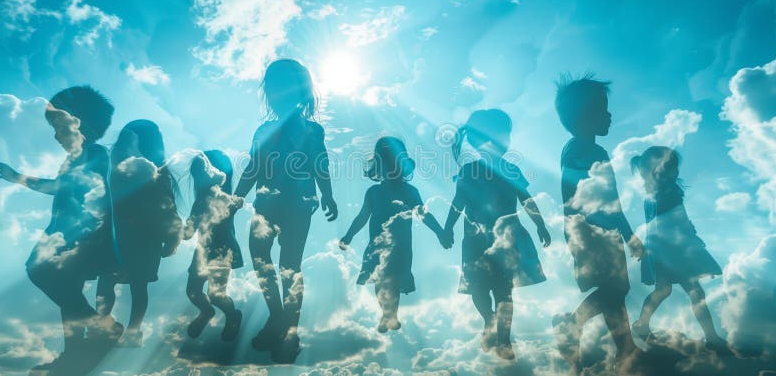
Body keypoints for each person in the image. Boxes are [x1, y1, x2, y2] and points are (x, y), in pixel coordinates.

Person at [0, 86, 121, 371]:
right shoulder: (78, 157)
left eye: (59, 126)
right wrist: (19, 178)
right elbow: (59, 187)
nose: (55, 134)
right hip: (67, 231)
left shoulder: (95, 153)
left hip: (79, 233)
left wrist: (19, 177)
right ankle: (75, 350)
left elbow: (68, 187)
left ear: (80, 124)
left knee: (39, 269)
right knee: (68, 287)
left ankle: (102, 327)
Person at [235, 59, 338, 363]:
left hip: (288, 202)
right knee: (277, 263)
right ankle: (282, 324)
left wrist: (329, 194)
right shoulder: (278, 129)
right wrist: (237, 197)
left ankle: (284, 327)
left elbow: (320, 163)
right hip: (280, 202)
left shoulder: (305, 129)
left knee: (280, 263)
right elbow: (254, 166)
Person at [552, 74, 644, 374]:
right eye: (602, 110)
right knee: (614, 290)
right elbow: (599, 197)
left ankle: (625, 347)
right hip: (595, 231)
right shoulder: (583, 150)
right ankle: (573, 325)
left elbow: (605, 198)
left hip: (594, 230)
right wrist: (625, 234)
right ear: (583, 116)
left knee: (615, 291)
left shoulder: (582, 149)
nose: (609, 115)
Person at [443, 109, 551, 360]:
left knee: (504, 291)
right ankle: (489, 321)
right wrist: (447, 227)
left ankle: (503, 340)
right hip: (475, 240)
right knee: (479, 291)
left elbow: (527, 199)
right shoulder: (469, 171)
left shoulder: (510, 170)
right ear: (481, 141)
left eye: (507, 136)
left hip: (505, 241)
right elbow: (457, 203)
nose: (506, 141)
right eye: (502, 135)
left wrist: (540, 224)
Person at [340, 136, 451, 333]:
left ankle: (391, 314)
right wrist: (348, 236)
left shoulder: (409, 191)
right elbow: (362, 217)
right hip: (377, 245)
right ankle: (386, 313)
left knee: (392, 279)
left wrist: (440, 232)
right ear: (378, 166)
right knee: (381, 279)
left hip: (401, 246)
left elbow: (423, 214)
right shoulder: (373, 192)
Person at [630, 146, 729, 352]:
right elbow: (665, 221)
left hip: (668, 248)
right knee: (692, 291)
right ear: (660, 168)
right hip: (671, 250)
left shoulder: (660, 191)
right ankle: (711, 338)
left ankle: (642, 323)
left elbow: (673, 217)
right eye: (672, 166)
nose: (676, 171)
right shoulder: (661, 192)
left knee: (666, 289)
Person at [96, 119, 182, 347]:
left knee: (129, 283)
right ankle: (112, 327)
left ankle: (131, 331)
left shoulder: (153, 169)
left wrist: (172, 237)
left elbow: (168, 205)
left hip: (142, 235)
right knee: (115, 281)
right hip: (124, 233)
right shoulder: (116, 165)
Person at [184, 150, 244, 341]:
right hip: (202, 252)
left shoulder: (224, 200)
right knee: (192, 291)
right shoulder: (201, 202)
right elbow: (188, 232)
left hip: (221, 252)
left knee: (217, 295)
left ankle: (233, 315)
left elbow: (189, 231)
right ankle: (207, 312)